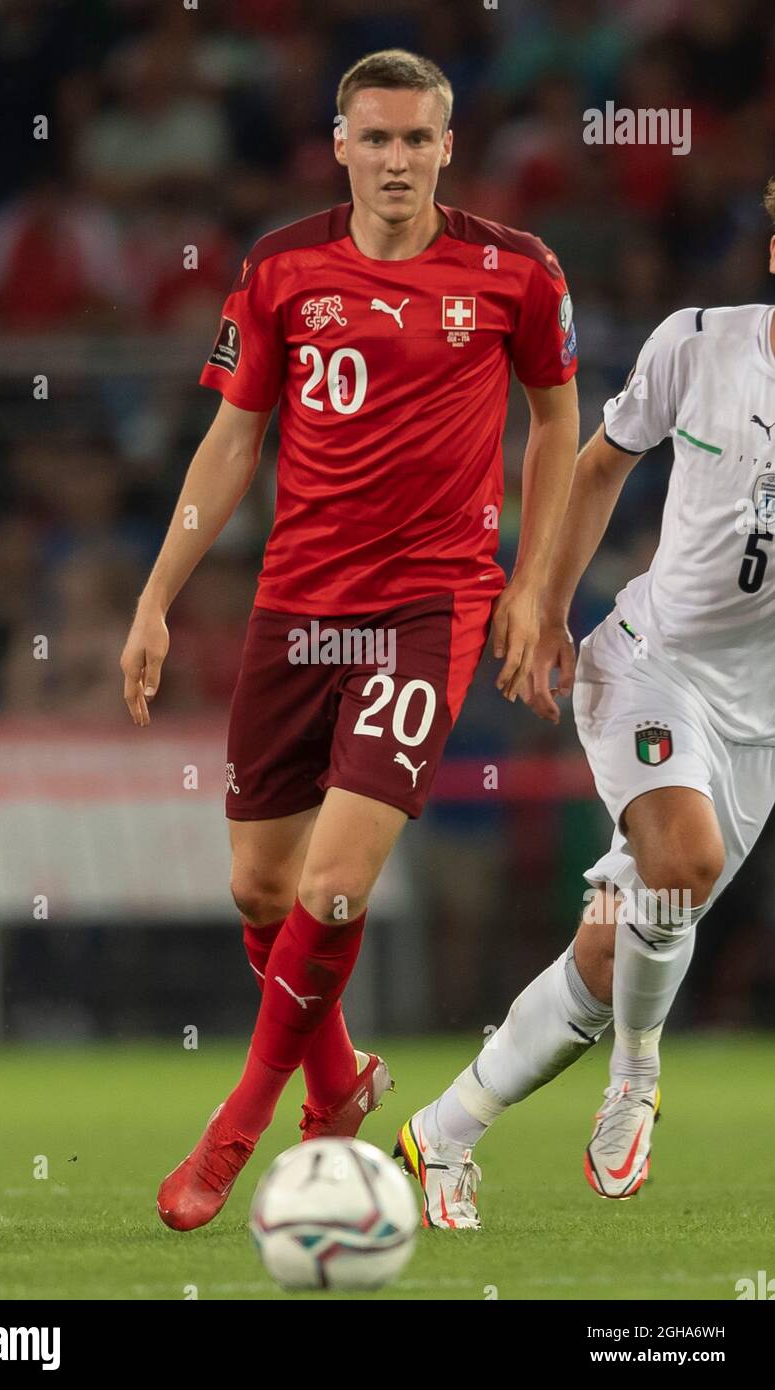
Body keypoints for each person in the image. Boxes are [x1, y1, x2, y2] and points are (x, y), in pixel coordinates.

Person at [119, 48, 579, 1232]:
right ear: (338, 143)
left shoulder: (513, 273)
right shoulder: (279, 268)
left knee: (330, 882)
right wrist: (157, 594)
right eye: (373, 139)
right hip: (295, 609)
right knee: (260, 885)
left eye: (416, 139)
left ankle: (249, 1128)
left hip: (427, 610)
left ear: (445, 145)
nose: (395, 160)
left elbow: (554, 416)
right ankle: (343, 1075)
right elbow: (230, 443)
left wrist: (532, 586)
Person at [397, 177, 775, 1227]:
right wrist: (541, 604)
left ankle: (439, 1133)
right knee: (683, 860)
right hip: (645, 659)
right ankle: (638, 1080)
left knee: (609, 957)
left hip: (757, 723)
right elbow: (601, 461)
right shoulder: (694, 345)